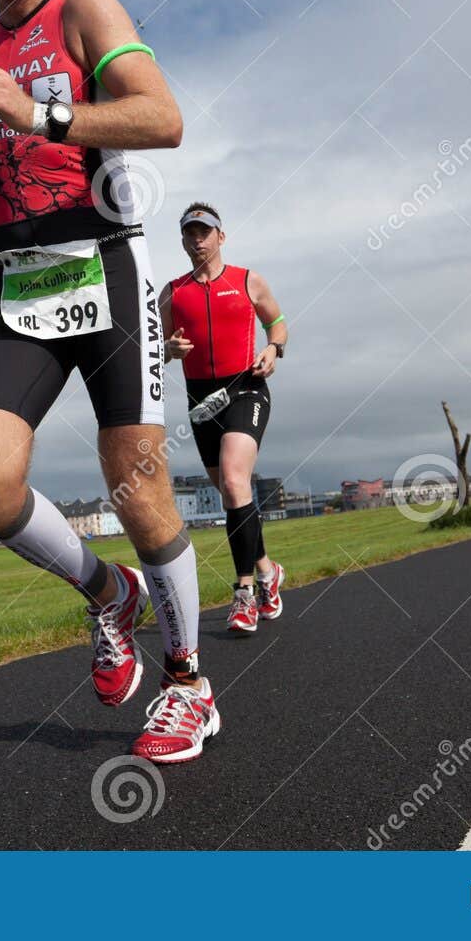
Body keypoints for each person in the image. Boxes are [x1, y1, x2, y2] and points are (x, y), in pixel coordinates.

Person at [0, 0, 216, 764]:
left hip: (103, 256)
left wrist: (40, 110)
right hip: (19, 283)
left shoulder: (84, 8)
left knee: (137, 486)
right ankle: (109, 593)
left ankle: (189, 682)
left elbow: (161, 116)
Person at [160, 203, 288, 634]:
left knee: (235, 482)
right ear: (182, 240)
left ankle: (245, 594)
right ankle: (268, 571)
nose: (198, 239)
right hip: (202, 402)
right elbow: (152, 350)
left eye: (205, 231)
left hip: (246, 388)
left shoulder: (247, 280)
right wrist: (167, 351)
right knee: (232, 493)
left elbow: (279, 323)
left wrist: (273, 350)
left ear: (221, 236)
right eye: (190, 233)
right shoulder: (172, 292)